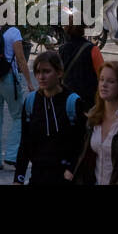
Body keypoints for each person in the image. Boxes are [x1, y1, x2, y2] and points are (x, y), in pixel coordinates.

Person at [14, 51, 84, 185]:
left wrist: (71, 169)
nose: (41, 77)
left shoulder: (73, 102)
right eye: (38, 72)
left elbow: (82, 142)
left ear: (59, 73)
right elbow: (25, 143)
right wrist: (18, 177)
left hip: (66, 177)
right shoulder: (31, 102)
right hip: (38, 175)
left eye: (46, 71)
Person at [0, 5, 32, 171]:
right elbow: (21, 59)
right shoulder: (13, 32)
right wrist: (30, 82)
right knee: (18, 116)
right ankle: (11, 154)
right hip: (9, 79)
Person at [57, 15, 103, 111]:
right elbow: (102, 76)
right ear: (85, 28)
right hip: (88, 103)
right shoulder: (93, 50)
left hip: (67, 100)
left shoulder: (61, 50)